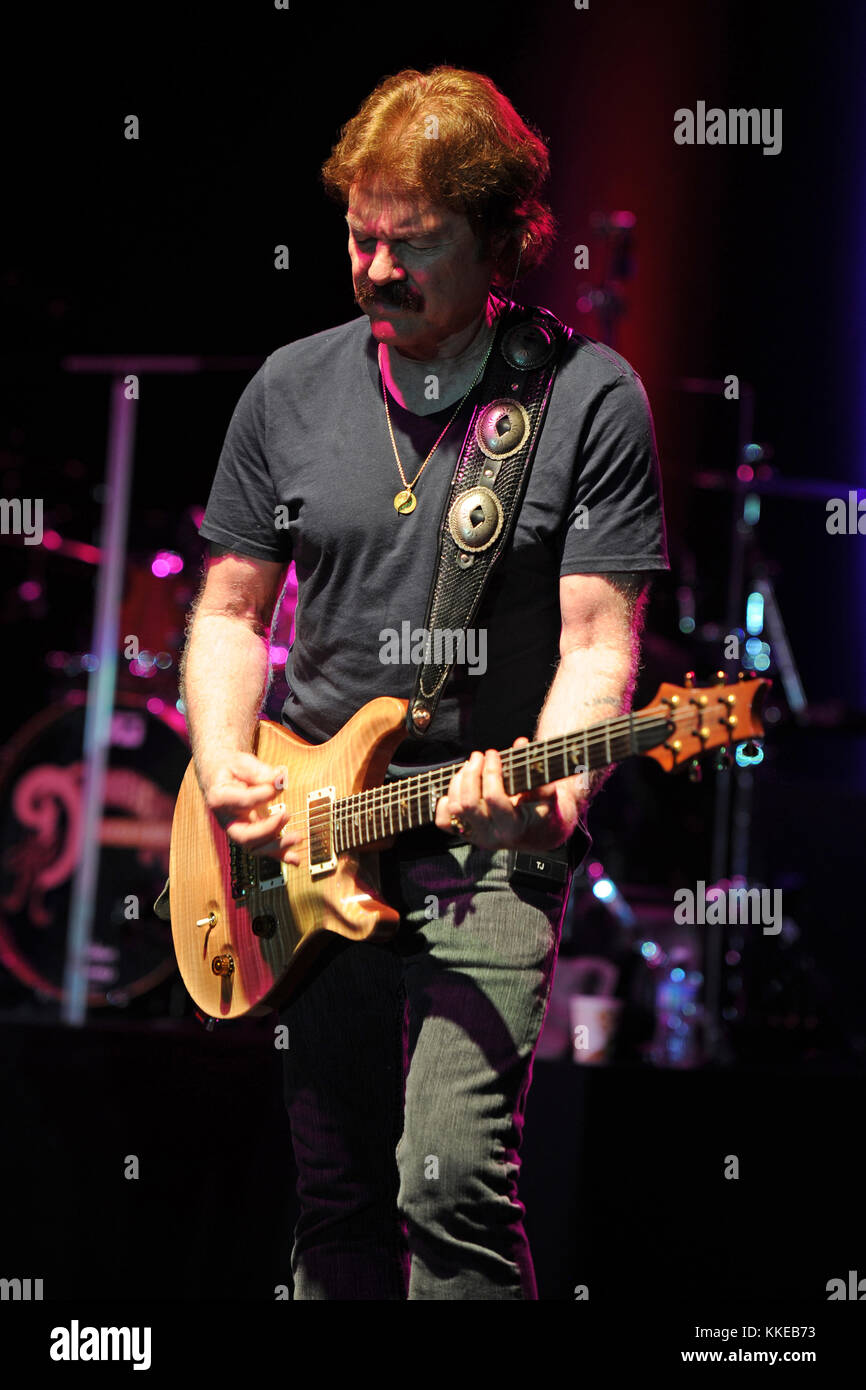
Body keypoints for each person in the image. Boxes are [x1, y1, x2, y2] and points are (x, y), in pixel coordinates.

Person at [179, 66, 669, 1300]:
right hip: (306, 831)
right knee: (334, 1198)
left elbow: (599, 644)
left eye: (414, 245)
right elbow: (230, 614)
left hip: (489, 843)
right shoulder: (290, 386)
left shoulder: (585, 399)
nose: (376, 271)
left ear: (503, 237)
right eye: (359, 237)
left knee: (445, 1183)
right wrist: (223, 759)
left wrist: (548, 790)